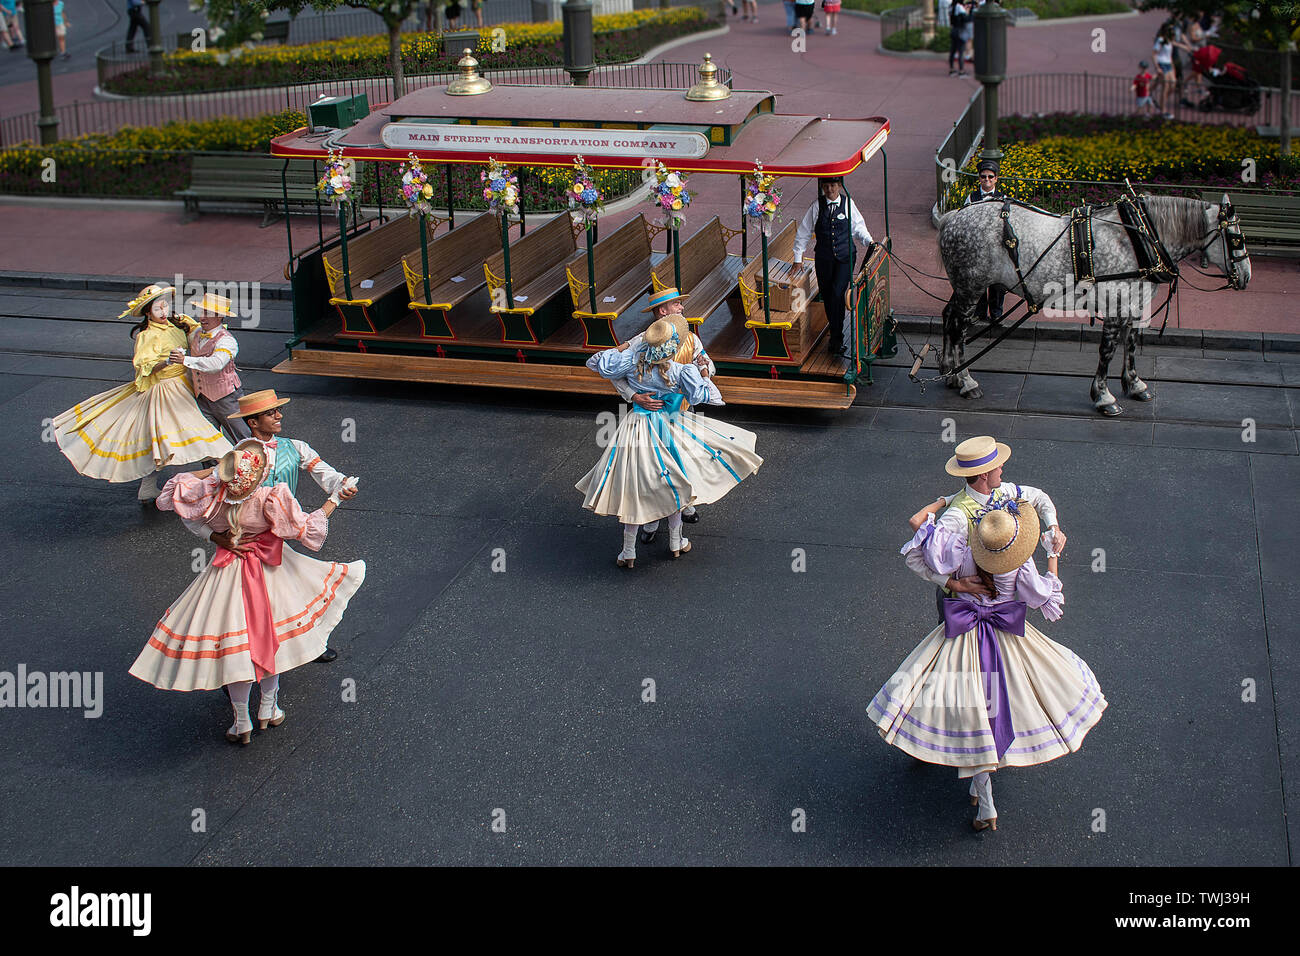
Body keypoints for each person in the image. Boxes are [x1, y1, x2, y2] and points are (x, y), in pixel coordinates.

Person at [870, 482, 1105, 832]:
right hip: (1005, 639)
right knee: (1004, 707)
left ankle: (986, 801)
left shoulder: (963, 551)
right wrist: (1052, 557)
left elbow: (915, 553)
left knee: (968, 713)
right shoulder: (1019, 567)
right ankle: (984, 797)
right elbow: (1046, 599)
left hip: (962, 637)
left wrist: (952, 582)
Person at [128, 440, 366, 746]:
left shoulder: (212, 497)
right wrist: (335, 498)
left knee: (237, 647)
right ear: (258, 475)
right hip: (269, 572)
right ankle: (269, 706)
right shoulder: (270, 497)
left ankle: (242, 720)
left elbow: (182, 506)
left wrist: (216, 531)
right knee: (270, 637)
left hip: (226, 572)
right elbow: (305, 529)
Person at [576, 319, 763, 569]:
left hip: (637, 427)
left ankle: (628, 551)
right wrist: (704, 372)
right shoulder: (679, 371)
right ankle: (676, 542)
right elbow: (710, 397)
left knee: (634, 485)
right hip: (670, 426)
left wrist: (629, 349)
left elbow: (595, 361)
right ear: (672, 348)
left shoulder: (631, 363)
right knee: (673, 480)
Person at [51, 283, 233, 501]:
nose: (164, 312)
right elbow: (143, 366)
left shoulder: (177, 325)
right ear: (148, 313)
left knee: (169, 439)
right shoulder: (147, 336)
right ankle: (231, 475)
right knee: (195, 433)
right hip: (167, 391)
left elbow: (202, 335)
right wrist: (166, 361)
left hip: (185, 384)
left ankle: (153, 486)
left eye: (165, 307)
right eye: (158, 309)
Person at [904, 435, 1067, 623]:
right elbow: (915, 558)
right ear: (984, 474)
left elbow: (1039, 498)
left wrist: (1053, 526)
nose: (1001, 468)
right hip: (963, 606)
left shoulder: (1004, 491)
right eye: (997, 465)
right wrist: (953, 584)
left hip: (994, 604)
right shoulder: (957, 516)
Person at [611, 288, 715, 545]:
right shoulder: (640, 341)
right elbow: (615, 373)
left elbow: (709, 366)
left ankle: (685, 504)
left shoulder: (691, 339)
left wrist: (704, 368)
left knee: (685, 459)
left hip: (682, 411)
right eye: (676, 304)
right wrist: (634, 396)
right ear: (662, 311)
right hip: (650, 415)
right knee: (653, 466)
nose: (681, 307)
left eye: (680, 303)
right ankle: (653, 519)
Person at [793, 176, 877, 359]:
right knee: (828, 296)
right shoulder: (816, 206)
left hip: (845, 258)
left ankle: (836, 338)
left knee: (838, 292)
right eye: (826, 186)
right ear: (823, 187)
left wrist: (868, 241)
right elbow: (804, 232)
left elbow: (858, 227)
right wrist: (798, 258)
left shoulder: (848, 204)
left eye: (833, 185)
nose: (830, 189)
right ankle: (835, 330)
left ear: (839, 185)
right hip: (824, 259)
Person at [170, 292, 251, 444]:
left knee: (242, 437)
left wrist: (184, 359)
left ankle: (257, 464)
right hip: (202, 397)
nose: (202, 317)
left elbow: (216, 364)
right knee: (208, 441)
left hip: (226, 397)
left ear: (220, 316)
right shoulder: (197, 333)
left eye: (209, 313)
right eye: (202, 312)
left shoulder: (227, 340)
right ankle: (214, 468)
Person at [962, 159, 1008, 325]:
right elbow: (965, 218)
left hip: (995, 246)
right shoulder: (972, 197)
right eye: (983, 177)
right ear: (979, 178)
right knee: (979, 280)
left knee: (997, 282)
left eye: (990, 177)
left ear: (996, 178)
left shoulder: (1003, 198)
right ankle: (980, 313)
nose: (987, 180)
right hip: (978, 246)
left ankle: (996, 313)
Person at [948, 0, 971, 77]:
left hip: (953, 30)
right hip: (960, 31)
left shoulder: (951, 7)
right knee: (961, 51)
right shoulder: (960, 7)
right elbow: (966, 19)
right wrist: (967, 11)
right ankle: (961, 71)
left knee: (953, 51)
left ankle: (952, 69)